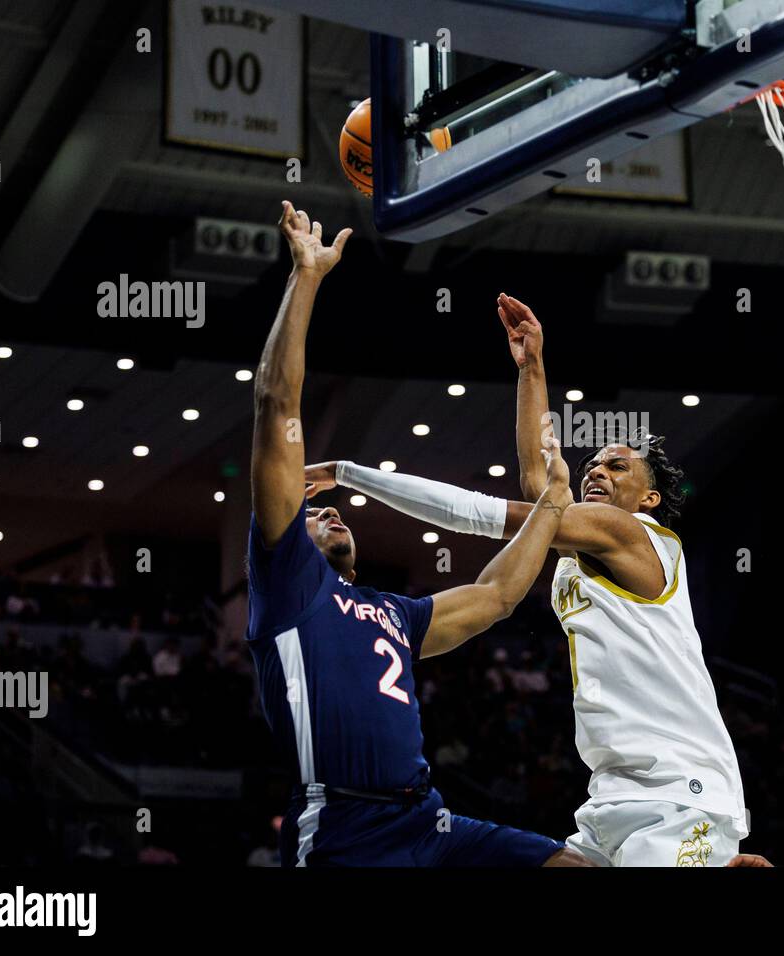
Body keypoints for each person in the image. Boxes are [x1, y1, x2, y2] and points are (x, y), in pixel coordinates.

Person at [304, 293, 769, 867]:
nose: (597, 469)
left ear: (648, 498)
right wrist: (531, 368)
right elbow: (537, 484)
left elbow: (479, 513)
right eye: (593, 463)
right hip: (612, 792)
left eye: (617, 466)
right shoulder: (585, 544)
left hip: (680, 789)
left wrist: (352, 474)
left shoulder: (634, 534)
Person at [248, 203, 589, 867]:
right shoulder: (287, 581)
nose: (330, 513)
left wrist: (552, 504)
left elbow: (494, 597)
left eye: (330, 510)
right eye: (315, 514)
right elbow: (275, 403)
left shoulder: (391, 613)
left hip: (428, 819)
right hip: (343, 824)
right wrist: (307, 279)